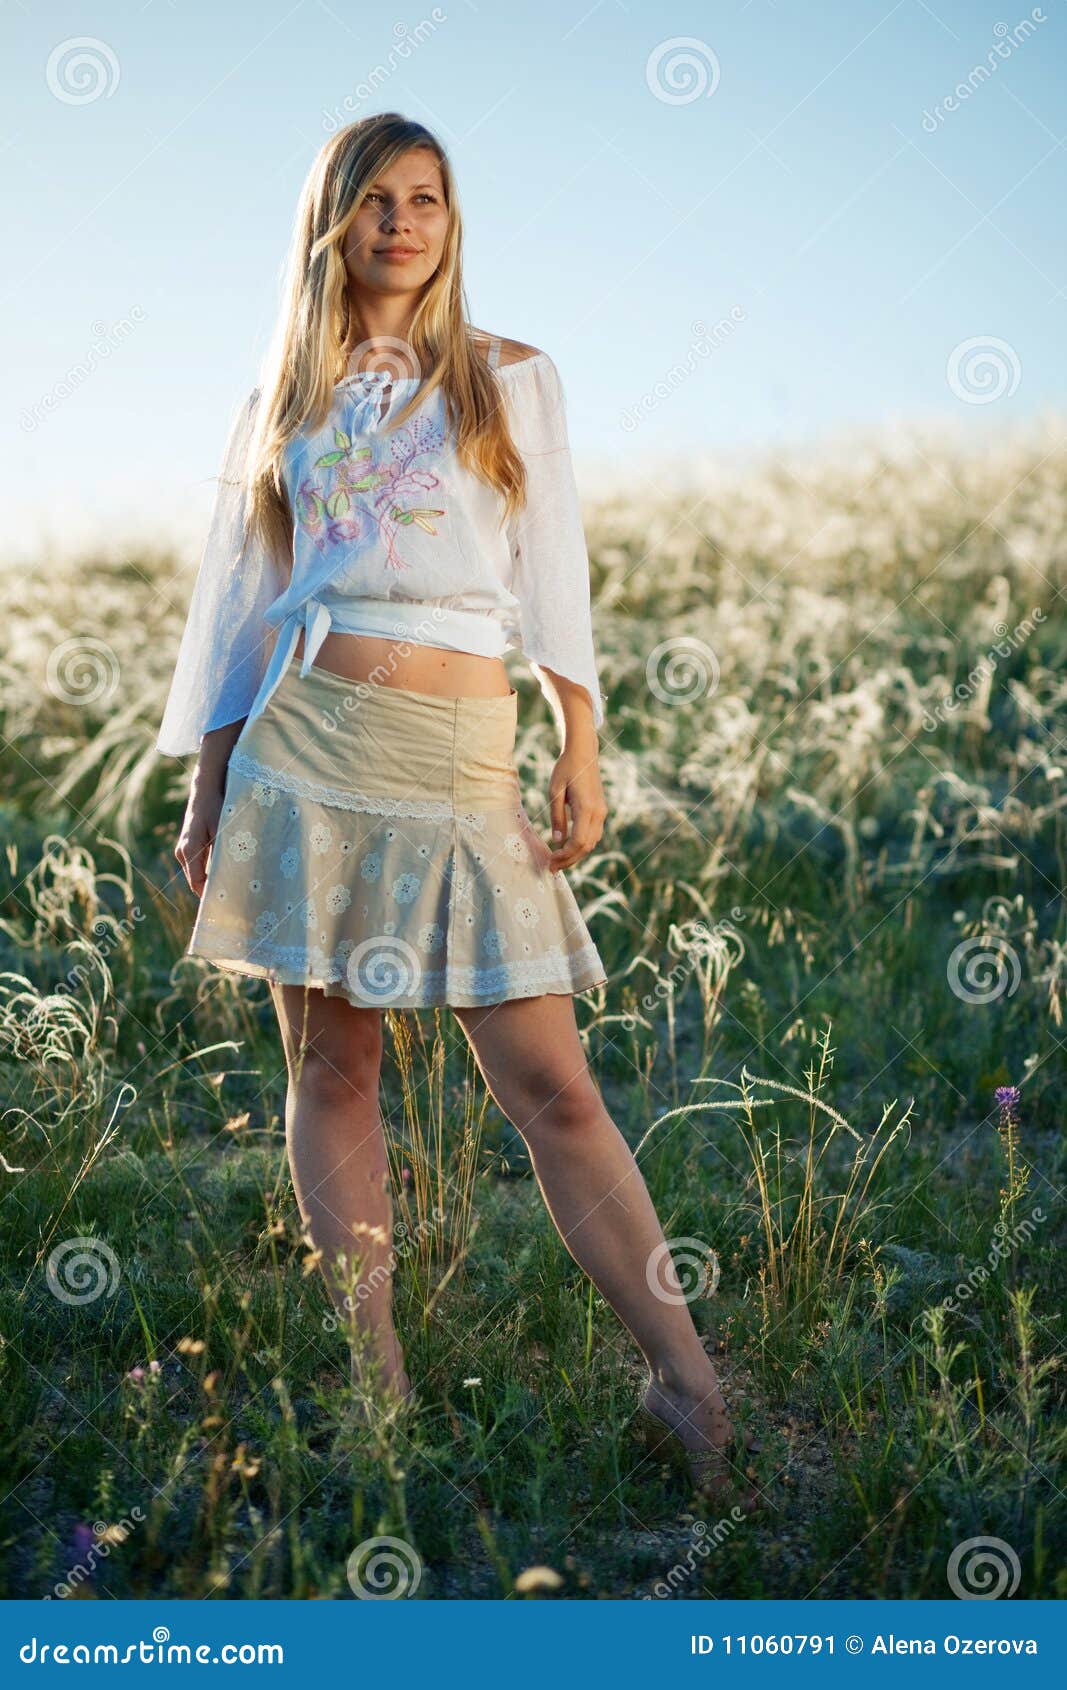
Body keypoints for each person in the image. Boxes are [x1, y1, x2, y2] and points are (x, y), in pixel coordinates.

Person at [159, 112, 747, 1500]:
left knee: (552, 1082)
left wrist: (576, 732)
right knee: (332, 1070)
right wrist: (208, 780)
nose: (404, 223)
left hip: (468, 747)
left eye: (427, 199)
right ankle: (382, 1395)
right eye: (376, 200)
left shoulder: (507, 379)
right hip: (309, 748)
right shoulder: (285, 401)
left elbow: (558, 575)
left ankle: (689, 1381)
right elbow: (243, 607)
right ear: (333, 222)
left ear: (451, 220)